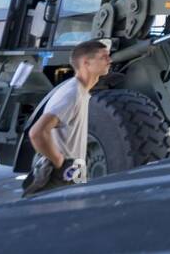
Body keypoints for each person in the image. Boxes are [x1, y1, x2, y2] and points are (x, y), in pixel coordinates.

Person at [21, 39, 112, 197]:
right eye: (103, 57)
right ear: (86, 63)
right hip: (60, 173)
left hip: (72, 170)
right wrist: (59, 162)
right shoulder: (71, 94)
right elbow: (37, 132)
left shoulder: (82, 92)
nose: (109, 60)